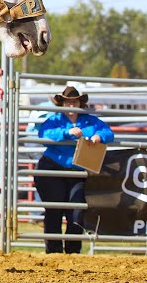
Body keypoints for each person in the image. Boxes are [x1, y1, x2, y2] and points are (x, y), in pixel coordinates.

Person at [33, 85, 114, 254]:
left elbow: (109, 132)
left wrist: (100, 136)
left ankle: (73, 250)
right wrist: (67, 132)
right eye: (67, 102)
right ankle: (53, 250)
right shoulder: (54, 119)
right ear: (61, 103)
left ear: (79, 103)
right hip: (52, 168)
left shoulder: (89, 120)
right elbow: (44, 134)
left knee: (76, 212)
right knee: (54, 209)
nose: (71, 106)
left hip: (78, 170)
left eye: (74, 102)